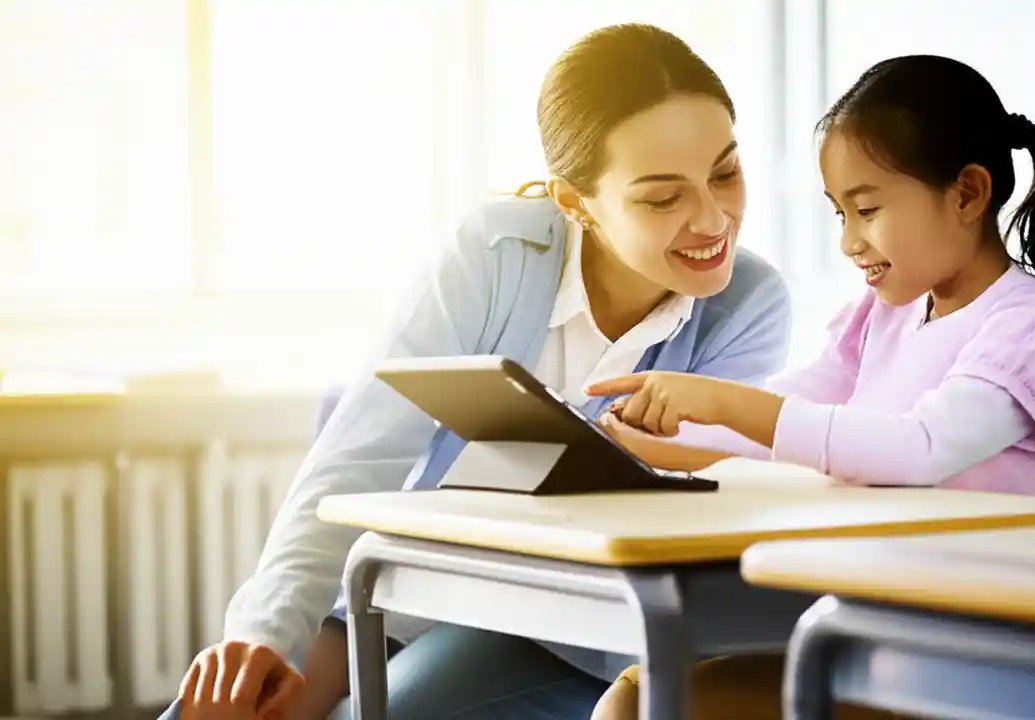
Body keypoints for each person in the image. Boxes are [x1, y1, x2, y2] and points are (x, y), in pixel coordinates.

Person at [168, 24, 790, 720]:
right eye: (661, 197)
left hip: (577, 626)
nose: (714, 219)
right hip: (423, 583)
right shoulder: (492, 256)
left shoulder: (748, 305)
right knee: (227, 706)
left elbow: (677, 508)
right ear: (574, 201)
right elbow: (360, 454)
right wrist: (265, 634)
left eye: (726, 173)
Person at [588, 54, 1035, 719]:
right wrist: (663, 428)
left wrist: (723, 401)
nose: (848, 241)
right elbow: (802, 412)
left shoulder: (1030, 320)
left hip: (984, 658)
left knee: (649, 701)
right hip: (886, 627)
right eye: (839, 213)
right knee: (636, 693)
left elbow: (919, 449)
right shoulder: (887, 314)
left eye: (865, 210)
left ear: (967, 194)